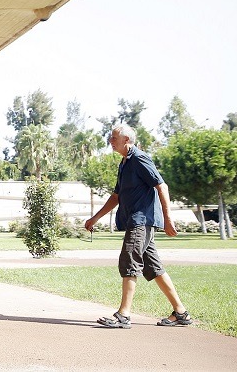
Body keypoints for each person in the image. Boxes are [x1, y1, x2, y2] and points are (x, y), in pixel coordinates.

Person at [84, 122, 191, 329]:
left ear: (126, 140)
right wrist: (95, 218)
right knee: (154, 268)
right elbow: (116, 196)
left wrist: (168, 220)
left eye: (114, 138)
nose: (110, 141)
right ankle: (181, 313)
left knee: (129, 259)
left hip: (142, 221)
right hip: (137, 220)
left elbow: (162, 186)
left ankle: (124, 315)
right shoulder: (124, 163)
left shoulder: (140, 158)